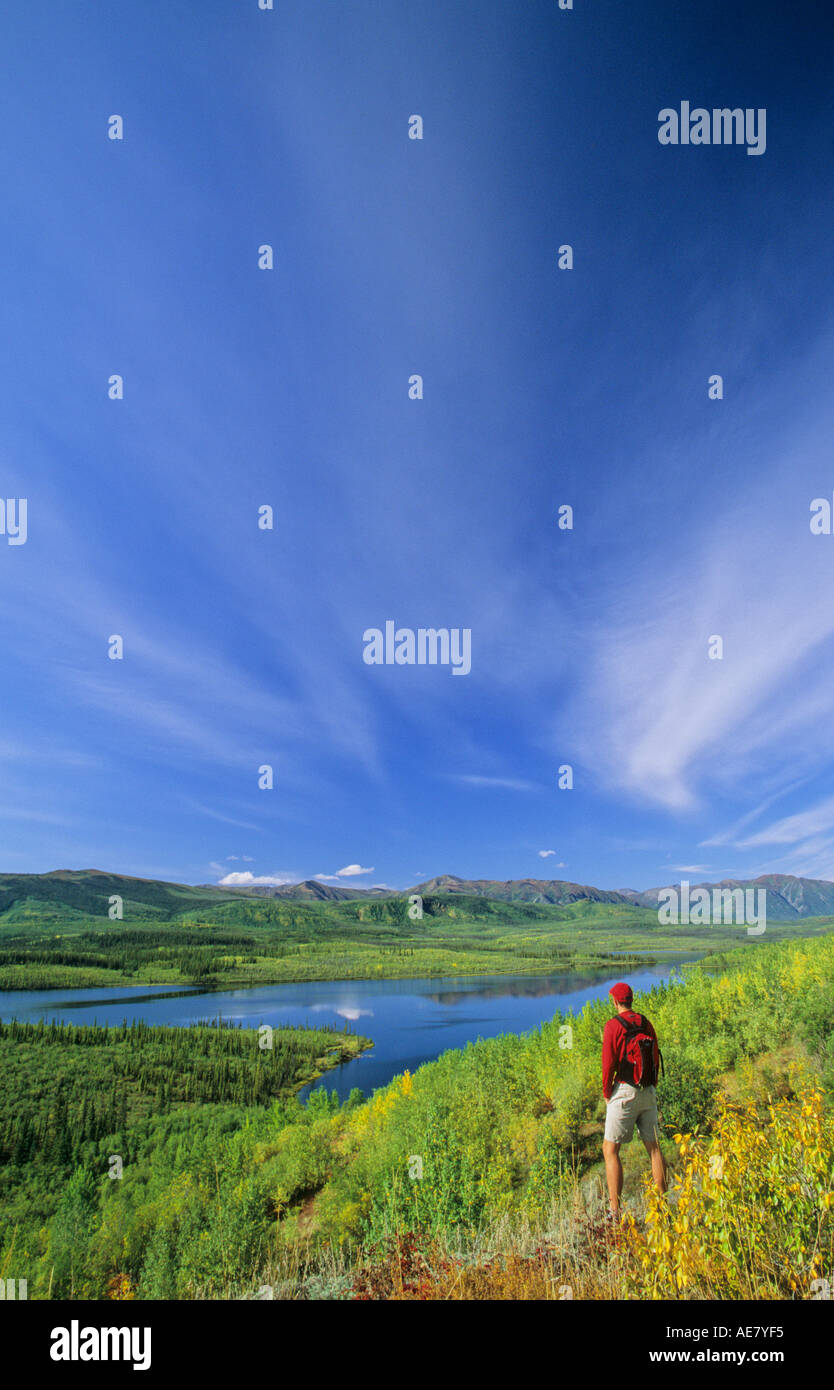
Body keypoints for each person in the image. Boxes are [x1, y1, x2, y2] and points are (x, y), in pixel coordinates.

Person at [601, 981, 666, 1218]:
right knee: (654, 1148)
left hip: (625, 1092)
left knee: (610, 1149)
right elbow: (656, 1054)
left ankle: (615, 1212)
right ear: (631, 1000)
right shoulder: (645, 1022)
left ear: (616, 1002)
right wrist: (653, 1084)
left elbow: (608, 1064)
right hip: (648, 1090)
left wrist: (607, 1093)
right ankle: (663, 1205)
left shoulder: (612, 1026)